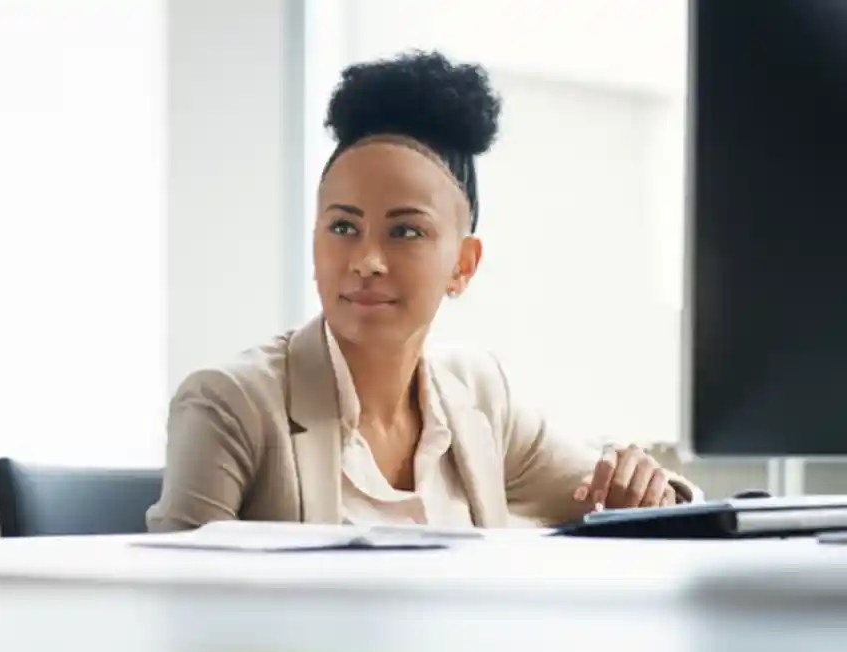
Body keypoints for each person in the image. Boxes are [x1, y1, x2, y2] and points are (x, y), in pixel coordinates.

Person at [148, 50, 700, 532]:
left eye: (405, 231)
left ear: (463, 264)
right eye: (343, 227)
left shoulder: (480, 395)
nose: (365, 261)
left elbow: (633, 500)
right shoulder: (231, 405)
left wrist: (653, 489)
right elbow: (173, 609)